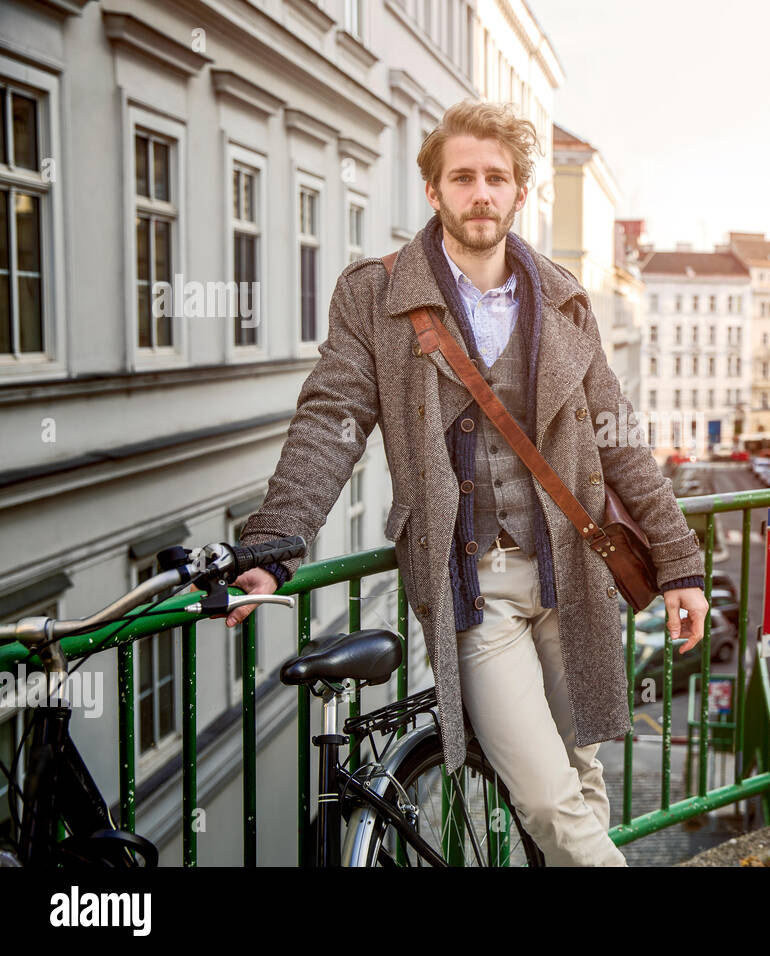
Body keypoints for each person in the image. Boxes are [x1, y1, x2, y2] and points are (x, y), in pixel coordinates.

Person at [229, 100, 709, 866]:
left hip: (572, 576)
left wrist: (680, 564)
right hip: (471, 588)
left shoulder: (563, 298)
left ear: (519, 192)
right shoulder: (375, 296)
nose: (480, 193)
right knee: (547, 797)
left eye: (496, 178)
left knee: (581, 778)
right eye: (463, 178)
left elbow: (620, 443)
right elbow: (333, 420)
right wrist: (274, 541)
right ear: (434, 190)